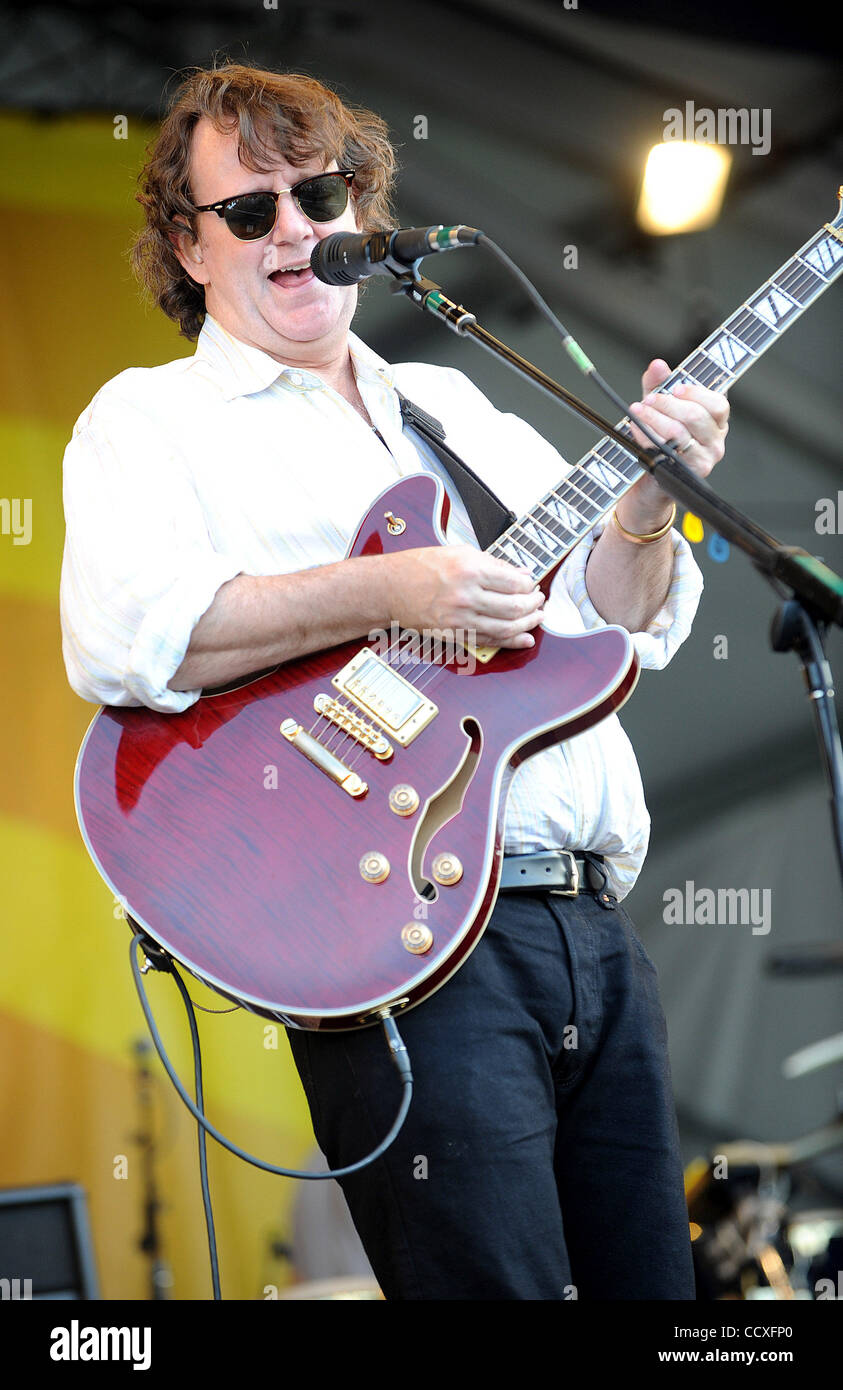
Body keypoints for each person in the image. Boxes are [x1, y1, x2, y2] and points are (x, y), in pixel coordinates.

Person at [60, 62, 729, 1300]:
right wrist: (388, 591)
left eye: (319, 195)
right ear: (188, 248)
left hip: (589, 926)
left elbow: (618, 631)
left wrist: (644, 509)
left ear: (364, 210)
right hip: (406, 948)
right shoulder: (149, 421)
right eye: (250, 212)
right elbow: (130, 639)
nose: (296, 230)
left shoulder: (455, 402)